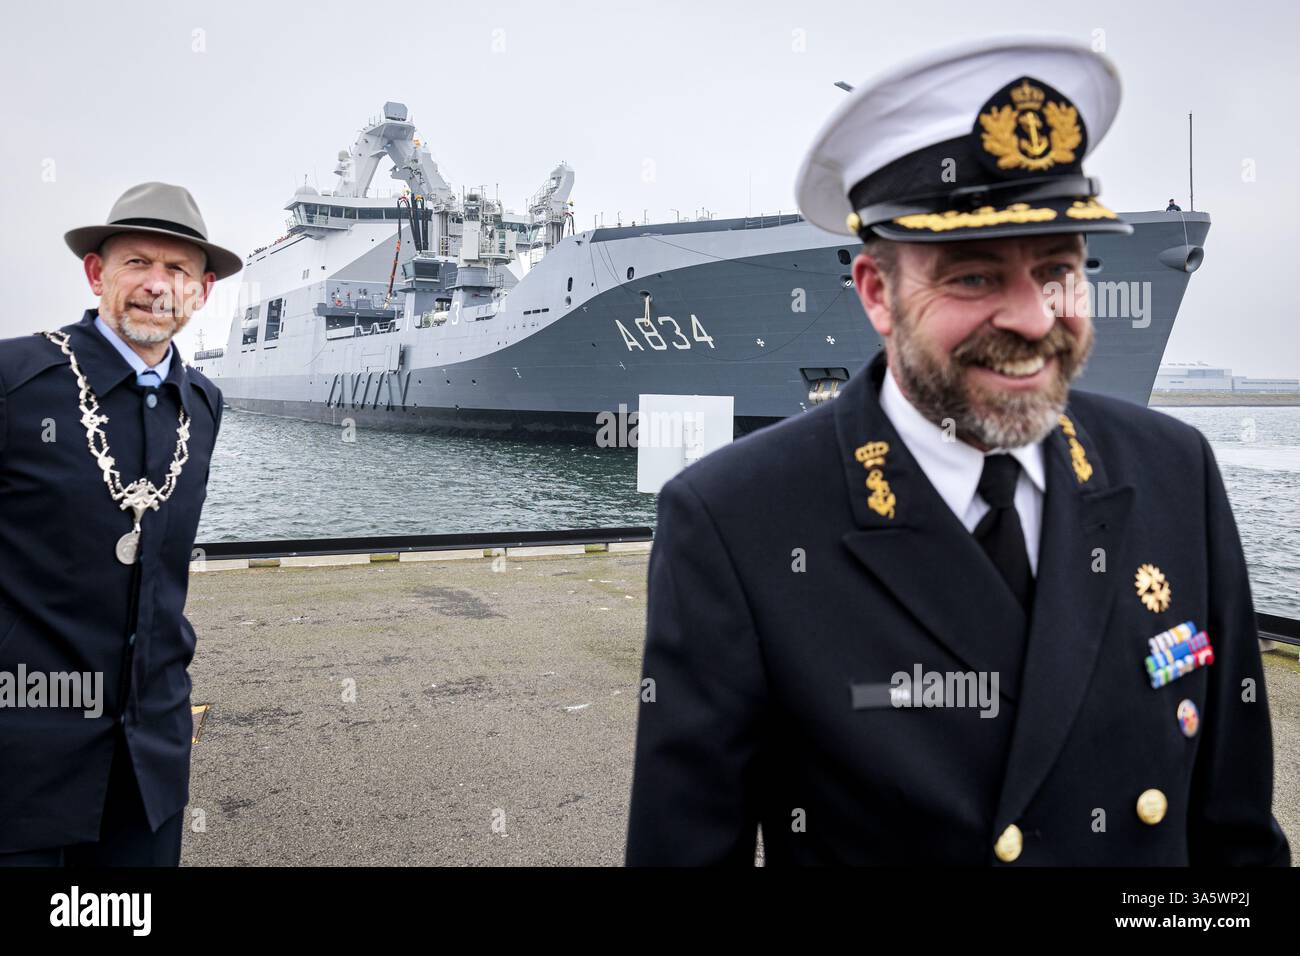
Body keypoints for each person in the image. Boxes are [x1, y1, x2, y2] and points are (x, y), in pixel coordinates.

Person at [625, 36, 1289, 866]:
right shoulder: (734, 526)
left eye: (1058, 269)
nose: (1034, 318)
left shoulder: (1175, 474)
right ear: (876, 292)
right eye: (974, 277)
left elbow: (1236, 842)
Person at [0, 182, 242, 865]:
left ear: (203, 291)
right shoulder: (14, 381)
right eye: (138, 262)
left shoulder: (202, 404)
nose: (157, 286)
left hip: (148, 764)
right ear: (96, 272)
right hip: (21, 761)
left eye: (178, 270)